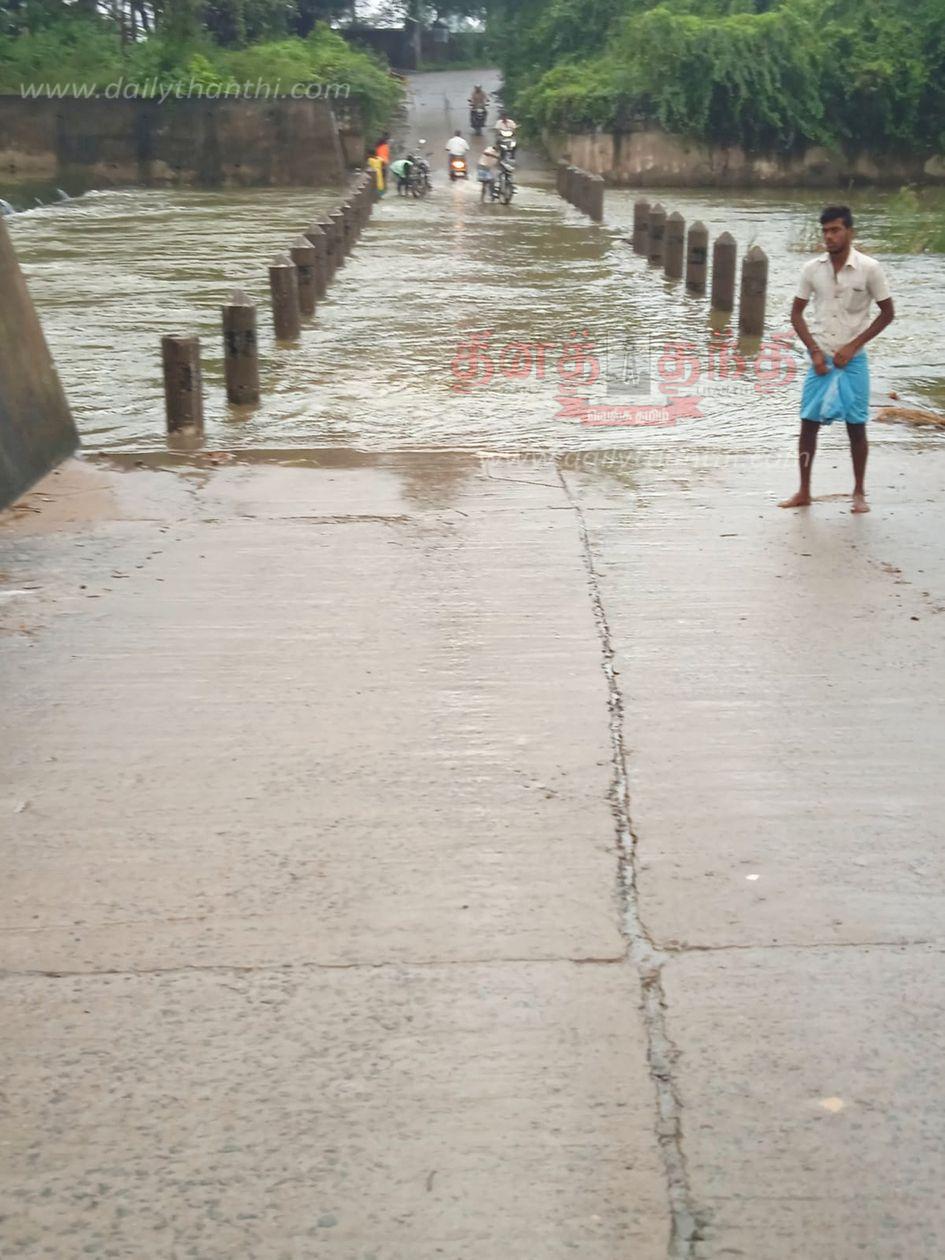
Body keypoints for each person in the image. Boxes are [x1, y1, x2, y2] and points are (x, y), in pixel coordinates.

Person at [780, 205, 894, 514]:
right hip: (820, 356)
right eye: (825, 231)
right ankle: (804, 490)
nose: (829, 237)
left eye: (835, 230)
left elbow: (888, 313)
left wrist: (854, 345)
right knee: (808, 423)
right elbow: (796, 313)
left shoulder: (869, 268)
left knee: (856, 425)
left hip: (853, 359)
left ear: (849, 232)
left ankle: (859, 492)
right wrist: (814, 351)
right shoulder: (811, 269)